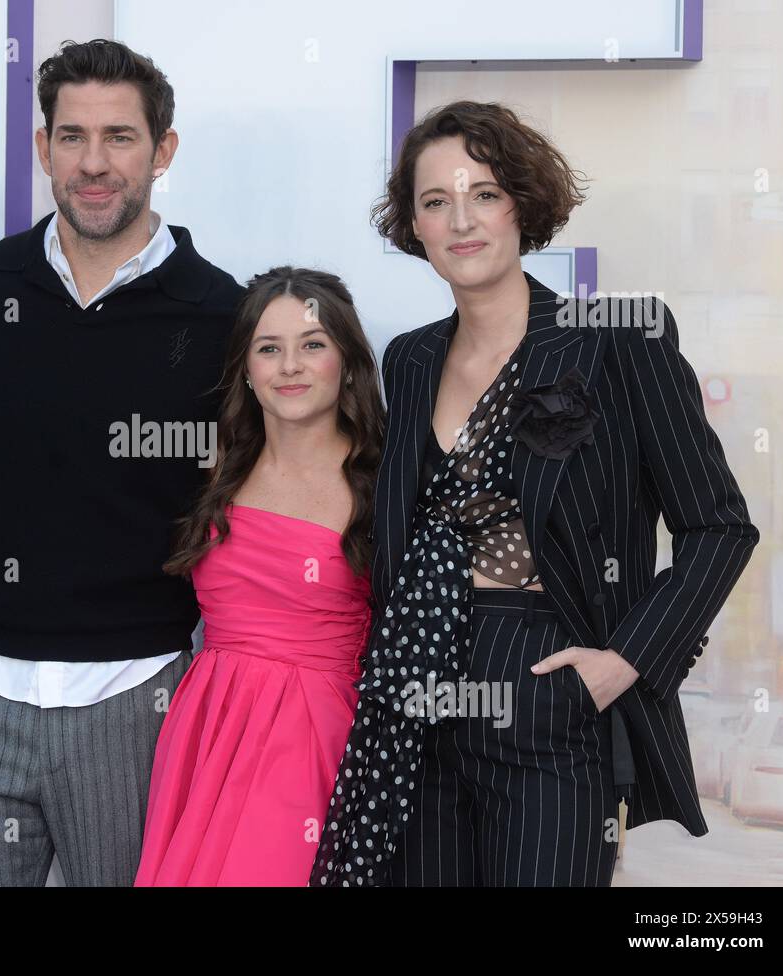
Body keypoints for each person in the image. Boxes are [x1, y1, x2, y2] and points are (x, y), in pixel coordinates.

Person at [312, 100, 759, 887]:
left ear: (523, 202)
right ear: (412, 225)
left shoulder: (618, 337)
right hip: (415, 692)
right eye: (435, 201)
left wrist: (622, 662)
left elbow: (718, 527)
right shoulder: (410, 360)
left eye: (484, 193)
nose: (462, 220)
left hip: (550, 681)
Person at [0, 39, 242, 886]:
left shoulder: (225, 314)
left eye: (120, 137)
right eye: (71, 137)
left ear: (162, 150)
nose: (93, 164)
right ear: (43, 149)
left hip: (137, 696)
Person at [134, 267, 384, 886]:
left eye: (313, 345)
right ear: (246, 367)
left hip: (317, 738)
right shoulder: (215, 466)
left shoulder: (386, 482)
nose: (290, 366)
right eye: (269, 349)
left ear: (347, 361)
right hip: (207, 728)